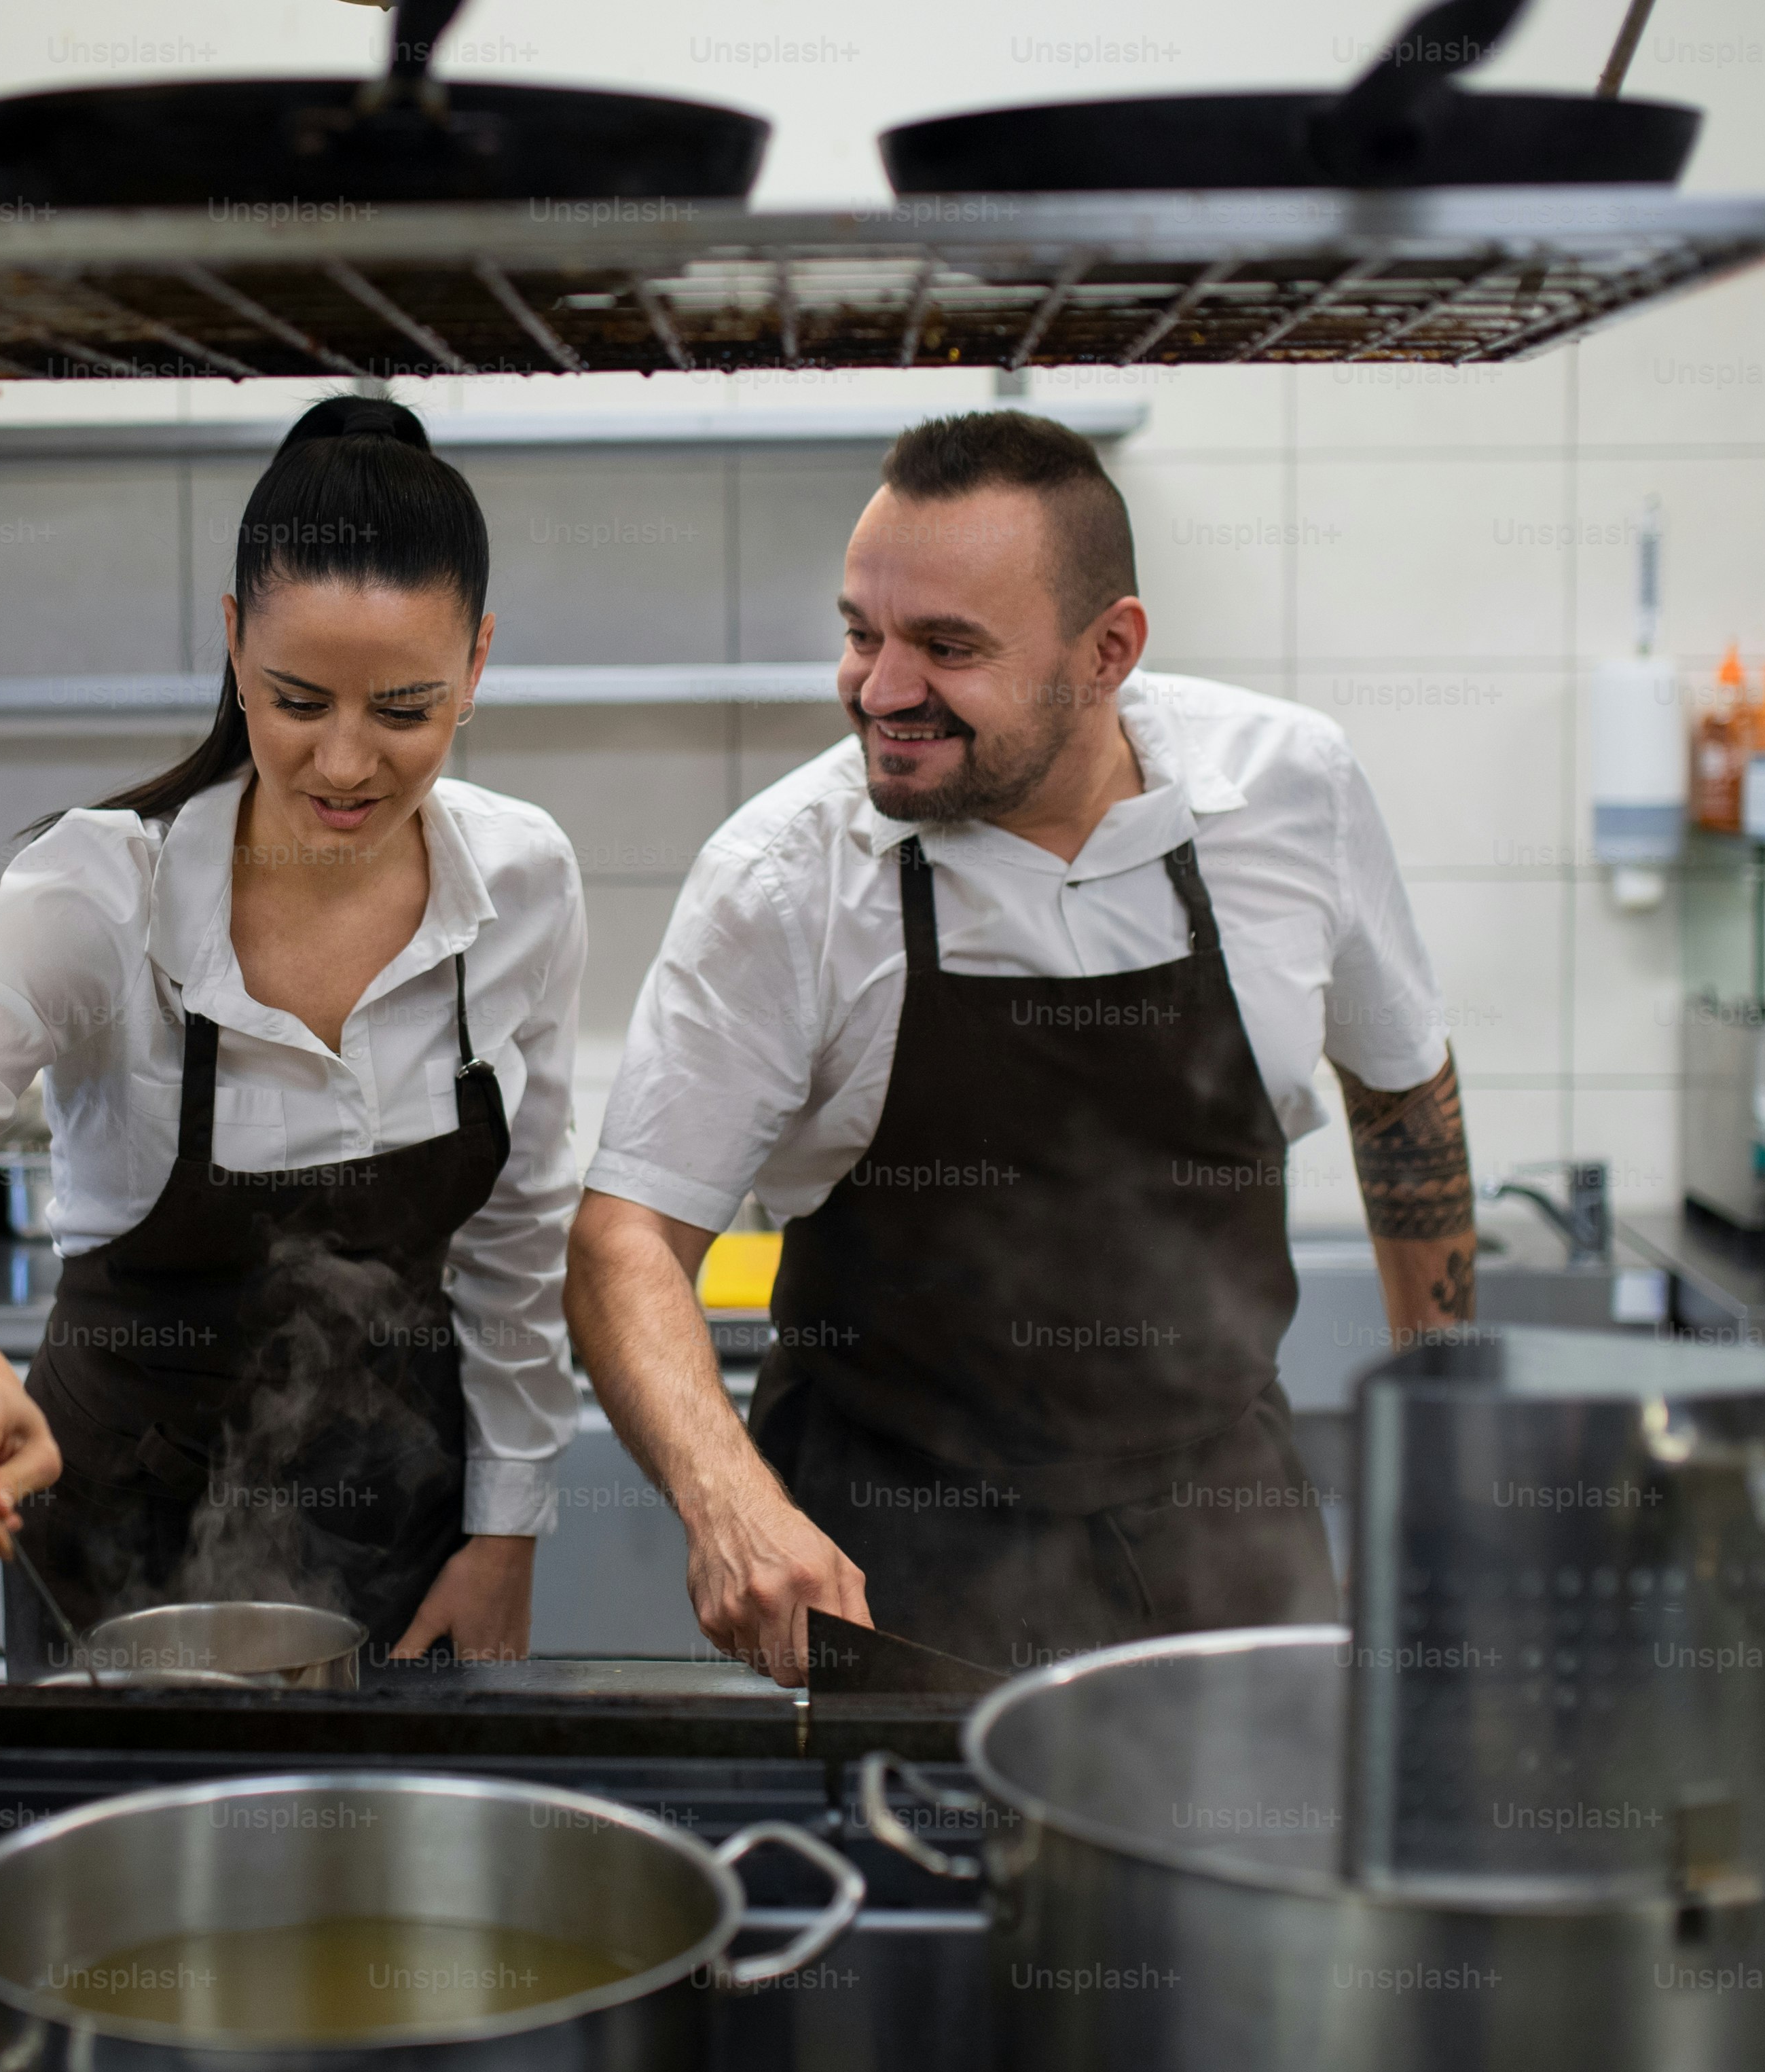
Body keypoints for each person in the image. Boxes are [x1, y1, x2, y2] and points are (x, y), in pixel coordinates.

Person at [566, 410, 1472, 1684]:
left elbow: (1403, 1095)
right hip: (899, 1569)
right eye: (860, 633)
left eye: (947, 647)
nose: (880, 690)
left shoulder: (1290, 793)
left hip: (1227, 1540)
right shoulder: (785, 879)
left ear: (1109, 651)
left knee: (1260, 1869)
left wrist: (1453, 1430)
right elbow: (626, 1242)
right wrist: (732, 1505)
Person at [0, 396, 585, 1670]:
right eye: (296, 697)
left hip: (407, 1538)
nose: (342, 763)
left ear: (479, 663)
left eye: (405, 710)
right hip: (119, 1549)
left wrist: (507, 1536)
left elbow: (519, 1235)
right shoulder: (108, 892)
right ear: (231, 642)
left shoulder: (525, 882)